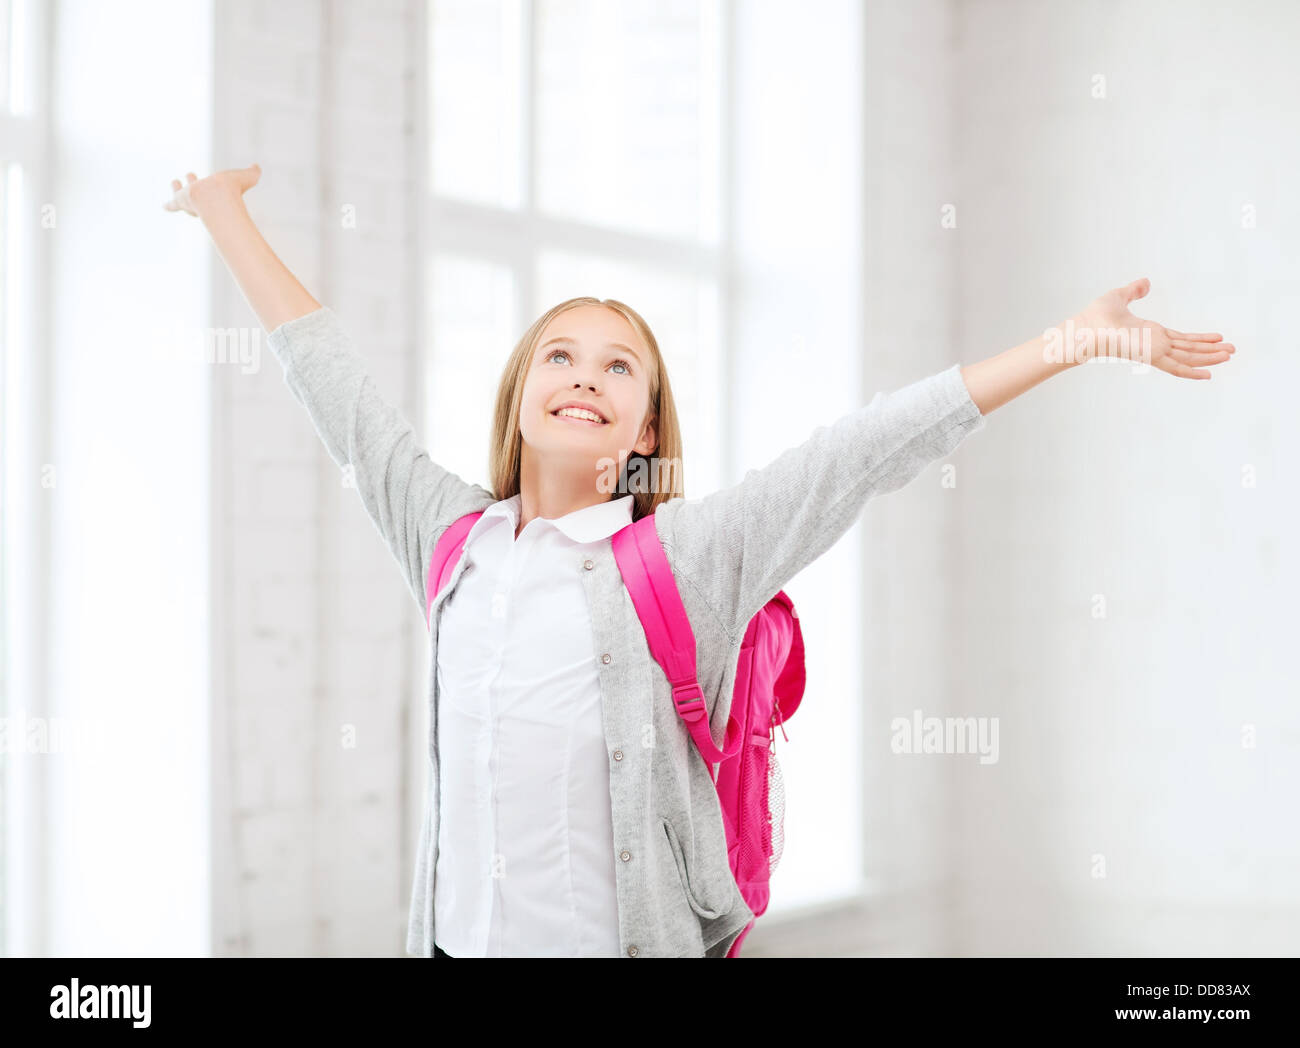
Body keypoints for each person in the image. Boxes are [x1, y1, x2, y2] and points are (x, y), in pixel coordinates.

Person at [165, 165, 1236, 958]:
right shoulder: (451, 542)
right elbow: (339, 397)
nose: (585, 373)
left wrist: (1066, 342)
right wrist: (226, 215)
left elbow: (856, 453)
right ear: (521, 396)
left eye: (618, 364)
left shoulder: (682, 558)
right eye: (561, 353)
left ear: (641, 430)